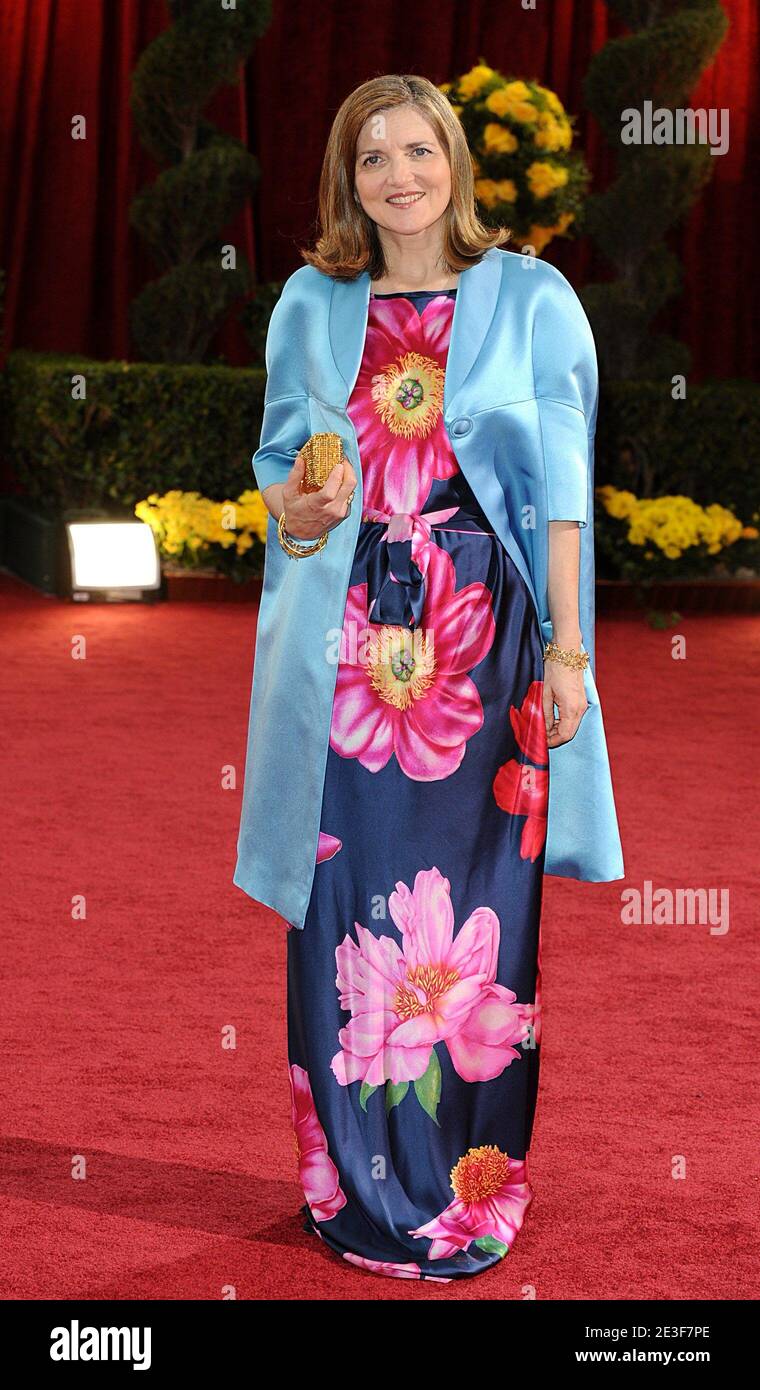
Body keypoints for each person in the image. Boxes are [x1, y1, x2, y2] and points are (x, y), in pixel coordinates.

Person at [234, 73, 623, 1281]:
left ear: (453, 160)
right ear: (345, 180)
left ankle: (467, 1195)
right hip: (347, 649)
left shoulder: (532, 299)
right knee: (340, 912)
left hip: (485, 643)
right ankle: (346, 1181)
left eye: (417, 149)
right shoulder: (309, 301)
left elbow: (560, 498)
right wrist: (300, 503)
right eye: (370, 157)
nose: (397, 175)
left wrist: (567, 655)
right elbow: (278, 475)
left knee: (481, 924)